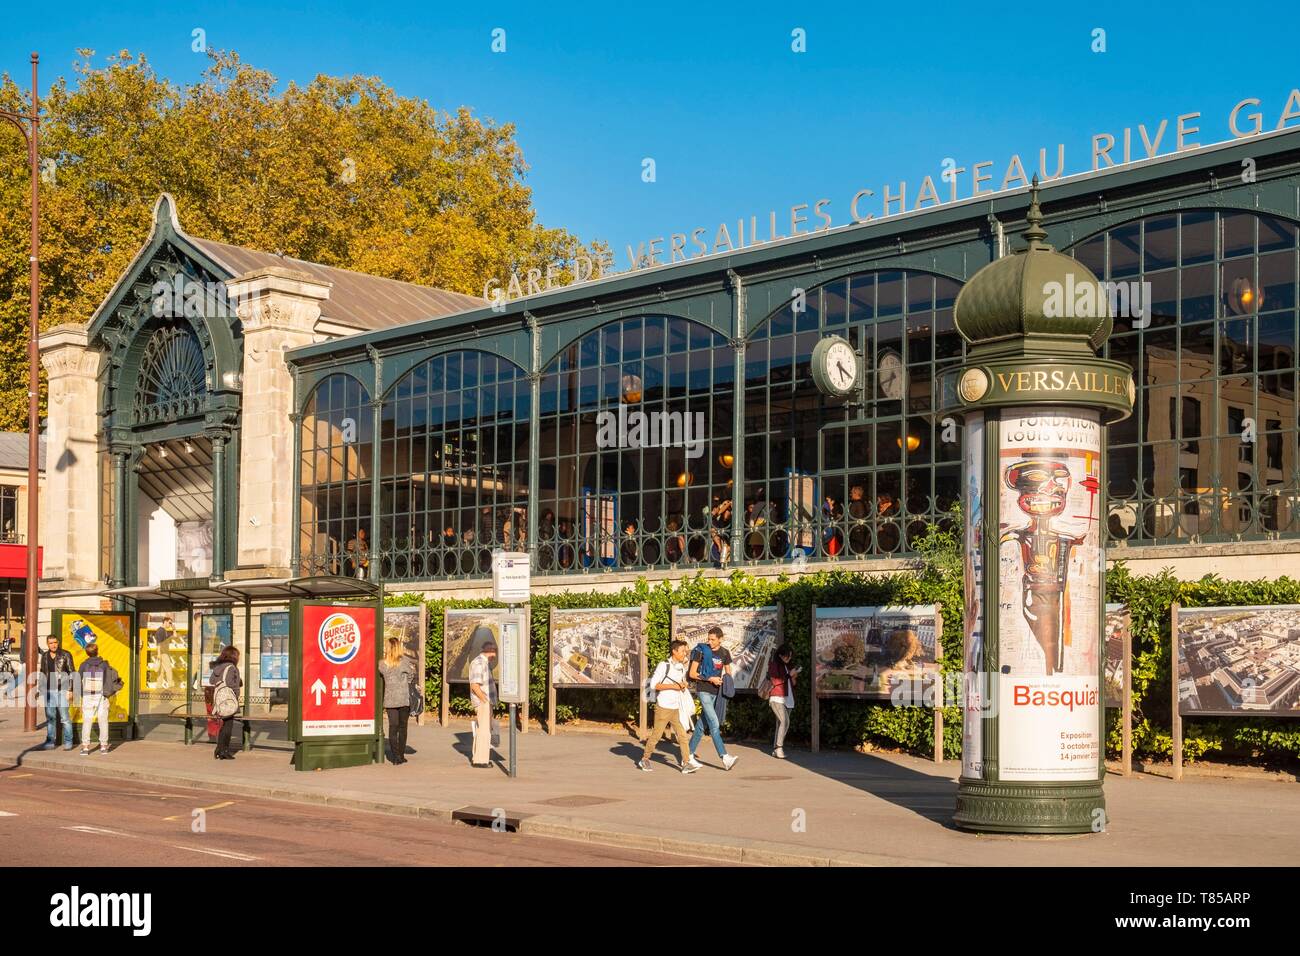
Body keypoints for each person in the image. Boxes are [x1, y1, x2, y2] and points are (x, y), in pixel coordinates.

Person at [638, 640, 697, 774]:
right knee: (657, 735)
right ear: (674, 651)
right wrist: (674, 686)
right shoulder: (663, 665)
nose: (685, 653)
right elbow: (654, 685)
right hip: (663, 707)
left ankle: (686, 763)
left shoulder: (681, 667)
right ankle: (645, 758)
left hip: (676, 707)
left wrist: (683, 685)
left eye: (685, 651)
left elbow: (680, 683)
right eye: (682, 651)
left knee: (682, 735)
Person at [687, 626, 738, 770]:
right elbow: (692, 673)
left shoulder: (725, 653)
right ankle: (725, 757)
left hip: (716, 692)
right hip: (703, 690)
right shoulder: (701, 651)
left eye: (713, 639)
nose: (710, 642)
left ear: (721, 639)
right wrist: (710, 678)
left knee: (701, 725)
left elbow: (728, 673)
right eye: (708, 639)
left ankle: (688, 754)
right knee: (714, 723)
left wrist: (725, 683)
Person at [77, 643, 120, 756]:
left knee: (87, 720)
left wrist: (82, 694)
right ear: (97, 651)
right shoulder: (104, 664)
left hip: (88, 695)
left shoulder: (84, 665)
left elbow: (77, 680)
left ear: (87, 653)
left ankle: (85, 747)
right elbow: (109, 679)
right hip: (101, 695)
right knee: (103, 721)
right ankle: (104, 746)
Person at [379, 636, 415, 765]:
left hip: (390, 699)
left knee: (393, 727)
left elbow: (382, 674)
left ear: (389, 648)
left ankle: (395, 757)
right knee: (403, 728)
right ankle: (401, 754)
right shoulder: (404, 661)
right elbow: (411, 675)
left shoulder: (382, 664)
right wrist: (404, 682)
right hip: (404, 698)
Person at [39, 635, 75, 751]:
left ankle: (68, 741)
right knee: (50, 718)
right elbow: (42, 672)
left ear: (58, 642)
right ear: (47, 644)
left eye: (55, 642)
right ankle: (50, 741)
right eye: (50, 643)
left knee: (65, 718)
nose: (53, 645)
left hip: (62, 690)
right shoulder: (44, 656)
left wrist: (70, 689)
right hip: (49, 691)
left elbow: (72, 672)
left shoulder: (65, 654)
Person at [468, 639, 499, 767]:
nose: (495, 655)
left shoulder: (483, 663)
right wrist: (484, 700)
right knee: (484, 731)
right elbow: (474, 685)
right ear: (489, 651)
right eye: (494, 651)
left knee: (483, 729)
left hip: (484, 702)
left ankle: (478, 757)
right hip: (483, 703)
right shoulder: (479, 663)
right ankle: (480, 760)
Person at [767, 644, 799, 759]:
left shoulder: (787, 666)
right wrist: (788, 675)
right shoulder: (774, 664)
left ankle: (776, 749)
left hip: (788, 698)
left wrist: (793, 677)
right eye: (786, 656)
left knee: (780, 724)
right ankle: (779, 747)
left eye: (790, 656)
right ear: (780, 655)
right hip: (777, 697)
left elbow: (793, 684)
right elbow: (775, 681)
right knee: (785, 722)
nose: (788, 658)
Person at [210, 645, 242, 760]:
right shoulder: (231, 667)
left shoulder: (218, 667)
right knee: (228, 726)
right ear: (233, 656)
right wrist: (236, 690)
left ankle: (219, 749)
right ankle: (224, 751)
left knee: (223, 725)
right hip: (229, 701)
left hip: (220, 700)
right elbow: (230, 683)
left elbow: (211, 681)